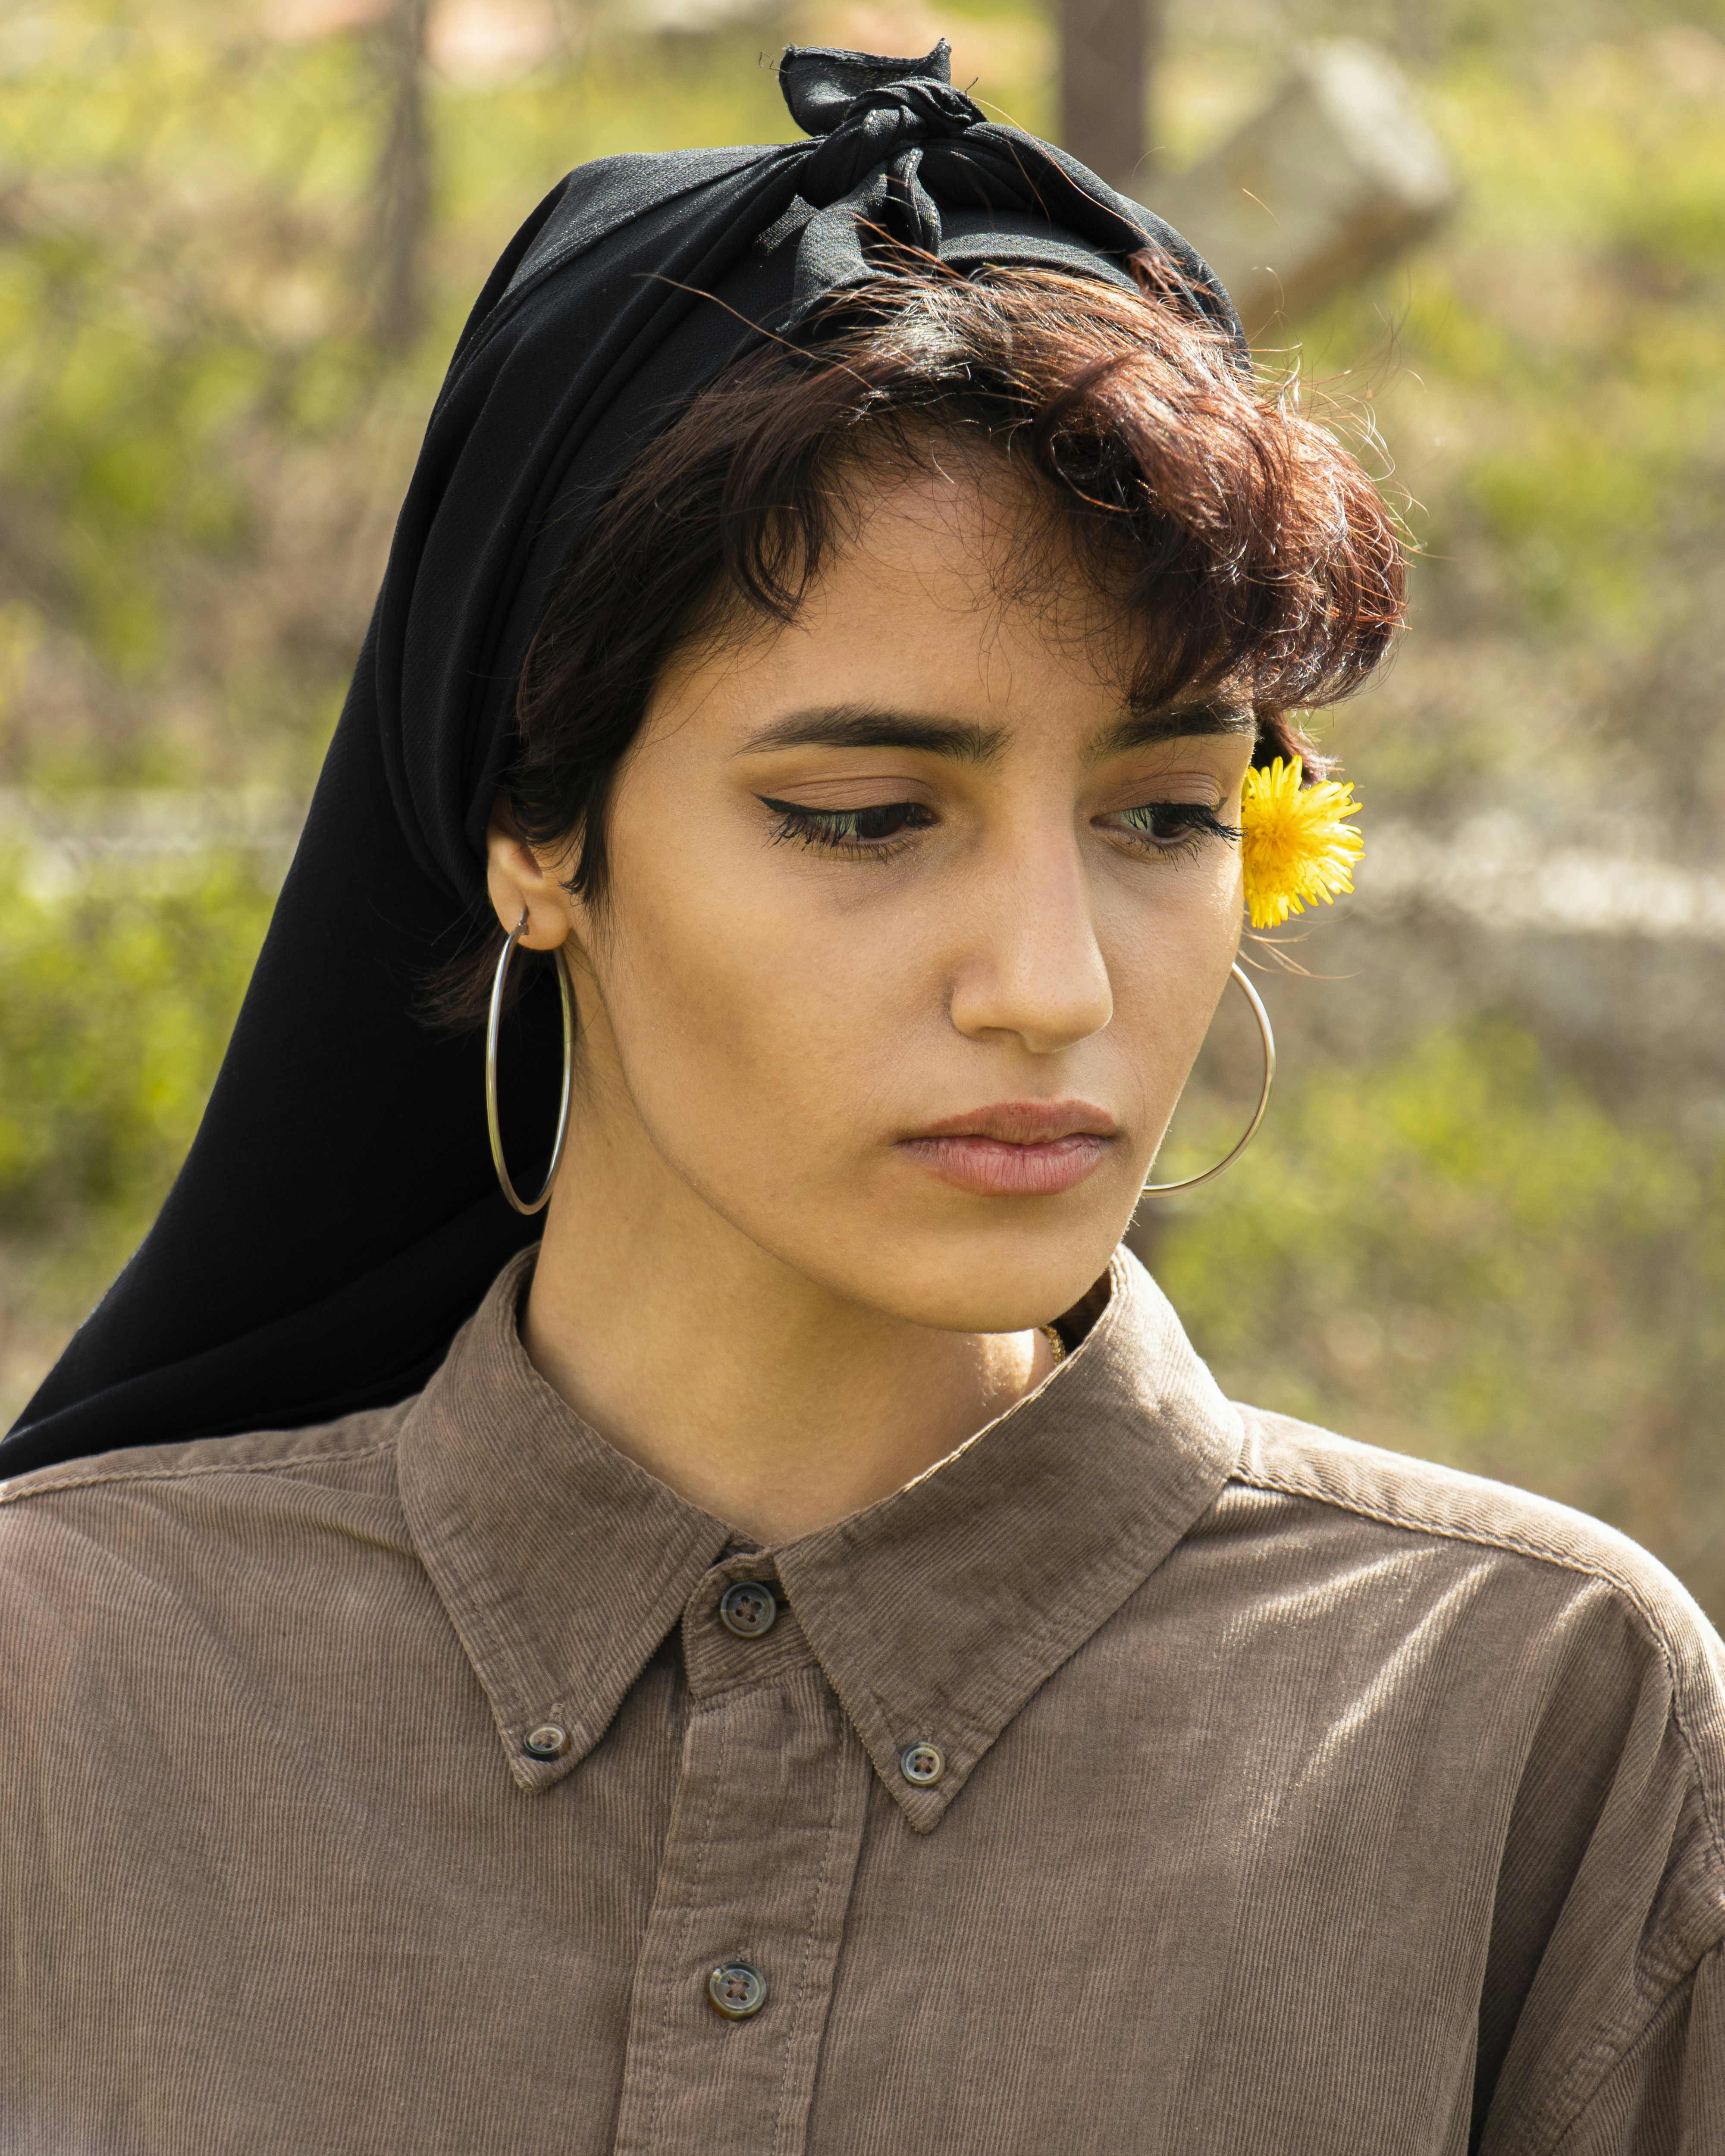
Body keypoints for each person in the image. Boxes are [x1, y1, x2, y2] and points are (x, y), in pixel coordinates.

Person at [2, 41, 1721, 2156]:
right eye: (860, 816)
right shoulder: (64, 1700)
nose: (1051, 985)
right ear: (531, 841)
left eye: (1164, 817)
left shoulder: (1524, 1731)